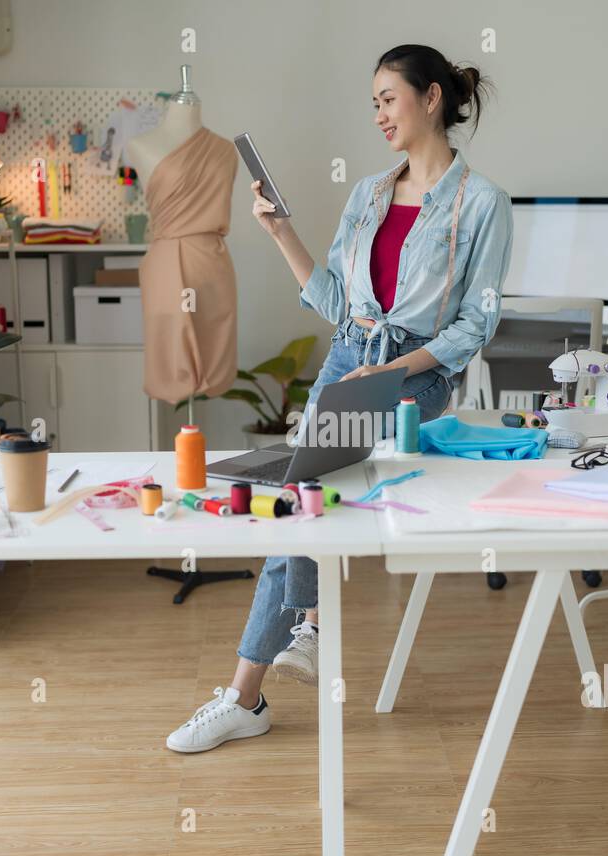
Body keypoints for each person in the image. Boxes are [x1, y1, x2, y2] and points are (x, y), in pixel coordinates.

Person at [166, 44, 514, 753]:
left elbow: (475, 325)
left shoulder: (483, 204)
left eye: (389, 98)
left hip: (414, 376)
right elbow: (334, 300)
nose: (380, 114)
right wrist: (279, 231)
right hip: (348, 359)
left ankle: (265, 674)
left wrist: (388, 372)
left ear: (432, 99)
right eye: (375, 103)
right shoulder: (368, 195)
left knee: (302, 482)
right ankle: (283, 659)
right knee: (299, 493)